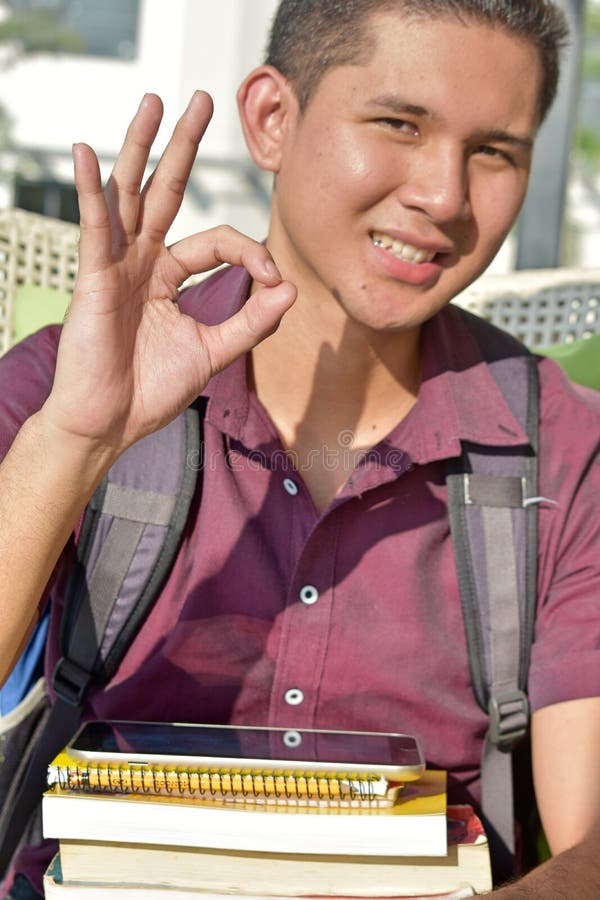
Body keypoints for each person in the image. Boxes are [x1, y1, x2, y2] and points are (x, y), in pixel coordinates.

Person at [1, 0, 599, 896]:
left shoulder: (564, 448)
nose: (444, 196)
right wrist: (78, 438)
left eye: (493, 152)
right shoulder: (68, 384)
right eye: (400, 124)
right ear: (273, 118)